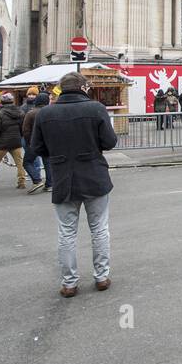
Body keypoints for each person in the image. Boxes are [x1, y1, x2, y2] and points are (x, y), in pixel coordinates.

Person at [28, 72, 118, 298]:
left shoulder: (45, 113)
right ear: (83, 88)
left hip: (63, 176)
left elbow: (36, 147)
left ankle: (69, 283)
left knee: (66, 232)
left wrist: (58, 155)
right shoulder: (96, 108)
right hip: (94, 175)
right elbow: (109, 142)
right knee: (99, 229)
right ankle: (101, 277)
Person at [0, 92, 29, 190]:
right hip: (16, 141)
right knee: (19, 163)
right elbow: (23, 128)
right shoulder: (20, 112)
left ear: (2, 102)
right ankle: (21, 182)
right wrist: (19, 136)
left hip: (1, 143)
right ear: (12, 101)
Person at [21, 92, 51, 193]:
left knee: (27, 162)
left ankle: (37, 180)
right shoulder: (51, 112)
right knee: (48, 163)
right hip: (48, 142)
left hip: (34, 142)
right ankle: (49, 184)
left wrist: (29, 142)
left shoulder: (31, 113)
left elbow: (26, 130)